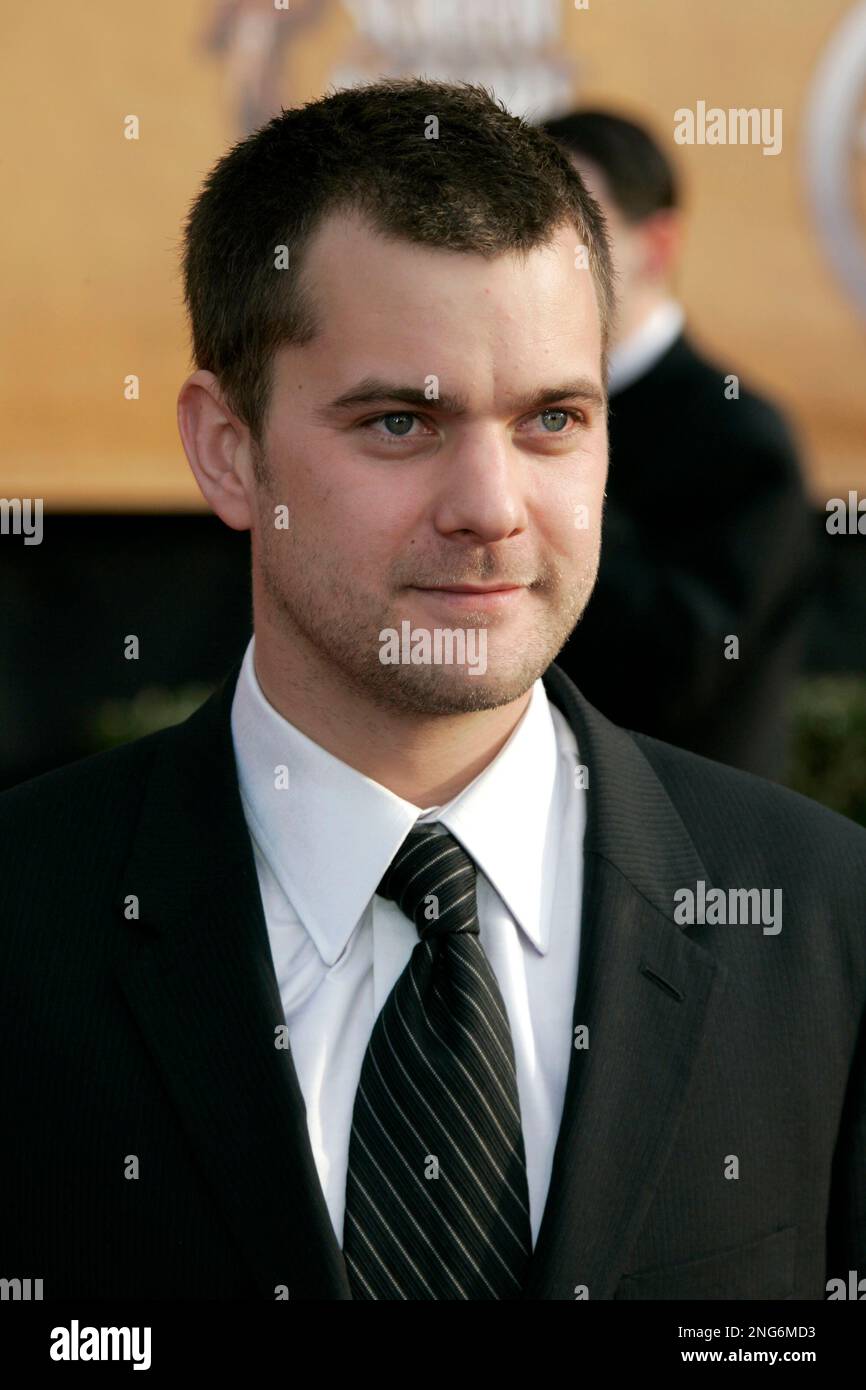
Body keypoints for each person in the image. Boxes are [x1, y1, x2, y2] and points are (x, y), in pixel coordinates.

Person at [0, 79, 863, 1302]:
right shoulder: (27, 921)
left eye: (552, 418)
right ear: (226, 449)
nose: (491, 506)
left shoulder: (826, 927)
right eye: (401, 422)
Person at [541, 109, 816, 779]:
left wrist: (545, 496)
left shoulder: (740, 440)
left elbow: (683, 669)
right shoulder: (496, 423)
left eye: (576, 229)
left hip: (683, 849)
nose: (538, 253)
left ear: (657, 247)